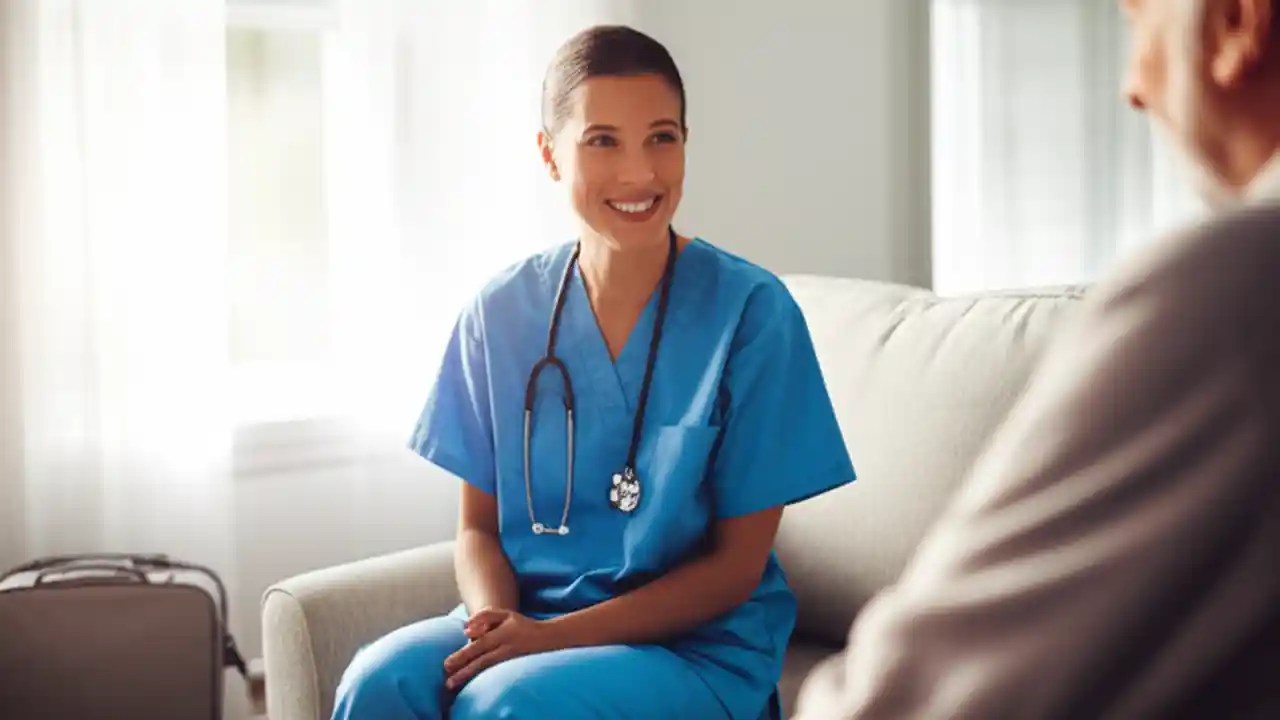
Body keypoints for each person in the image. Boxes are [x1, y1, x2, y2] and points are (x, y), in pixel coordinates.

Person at [331, 25, 855, 720]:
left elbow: (734, 571)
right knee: (376, 683)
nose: (640, 173)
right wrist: (495, 626)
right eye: (603, 141)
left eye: (662, 138)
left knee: (507, 703)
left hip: (694, 650)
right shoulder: (499, 314)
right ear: (549, 155)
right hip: (534, 617)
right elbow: (478, 530)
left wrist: (545, 642)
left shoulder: (753, 315)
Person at [795, 0, 1280, 717]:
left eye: (1140, 22)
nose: (1135, 88)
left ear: (1238, 22)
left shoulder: (1234, 290)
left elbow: (902, 708)